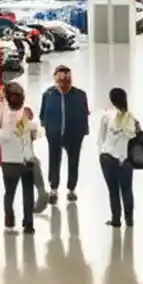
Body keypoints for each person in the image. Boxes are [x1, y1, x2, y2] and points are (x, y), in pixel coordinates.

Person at [0, 82, 39, 234]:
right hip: (25, 158)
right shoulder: (26, 113)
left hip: (8, 159)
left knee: (9, 191)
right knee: (28, 191)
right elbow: (32, 134)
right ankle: (28, 222)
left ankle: (9, 216)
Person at [39, 64, 89, 204]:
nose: (64, 83)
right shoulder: (48, 94)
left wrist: (83, 131)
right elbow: (43, 115)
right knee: (54, 160)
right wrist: (49, 130)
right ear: (55, 79)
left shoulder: (80, 95)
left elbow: (84, 113)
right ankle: (53, 188)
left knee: (74, 161)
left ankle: (71, 188)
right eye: (61, 80)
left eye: (67, 80)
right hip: (55, 134)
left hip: (74, 135)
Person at [96, 87, 138, 227]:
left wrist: (101, 153)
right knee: (127, 189)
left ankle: (116, 219)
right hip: (125, 158)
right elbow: (134, 137)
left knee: (113, 190)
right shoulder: (130, 118)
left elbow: (100, 138)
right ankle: (129, 220)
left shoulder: (106, 116)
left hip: (108, 157)